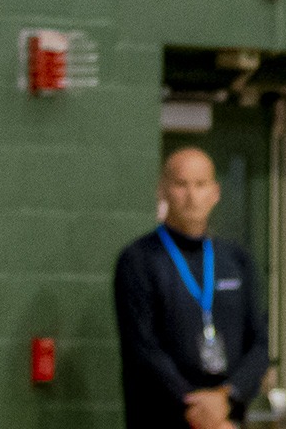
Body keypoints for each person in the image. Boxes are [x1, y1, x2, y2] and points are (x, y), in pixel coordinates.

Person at [113, 147, 268, 429]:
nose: (192, 196)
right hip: (165, 418)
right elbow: (143, 349)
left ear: (215, 192)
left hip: (226, 420)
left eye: (200, 184)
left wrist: (225, 397)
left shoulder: (237, 260)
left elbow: (259, 345)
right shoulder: (138, 260)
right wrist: (198, 410)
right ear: (163, 191)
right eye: (181, 185)